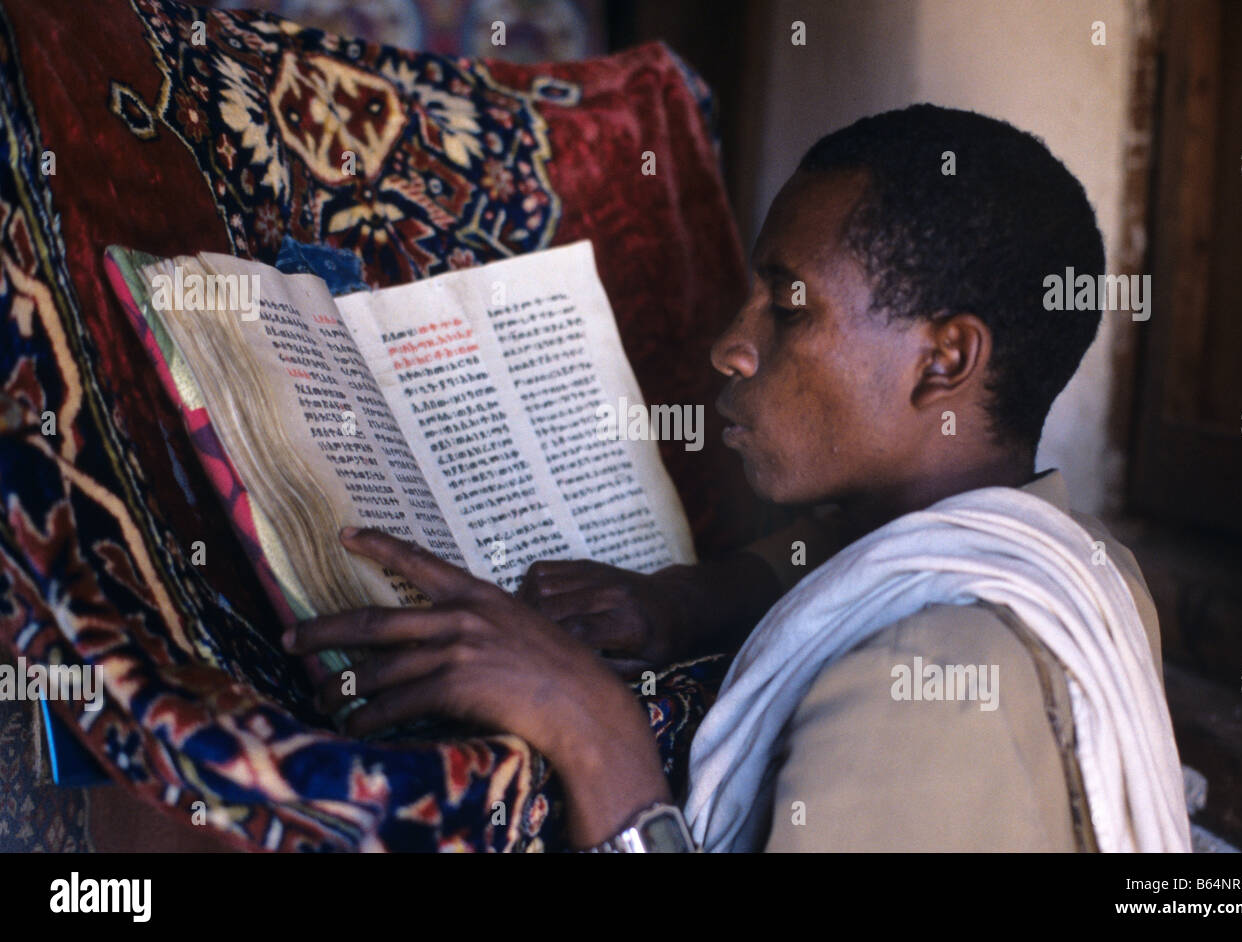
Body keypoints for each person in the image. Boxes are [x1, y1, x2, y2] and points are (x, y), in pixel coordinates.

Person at [283, 104, 1190, 852]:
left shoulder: (913, 689)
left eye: (787, 306)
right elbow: (849, 556)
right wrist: (685, 600)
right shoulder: (1079, 564)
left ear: (943, 360)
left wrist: (596, 735)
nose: (731, 345)